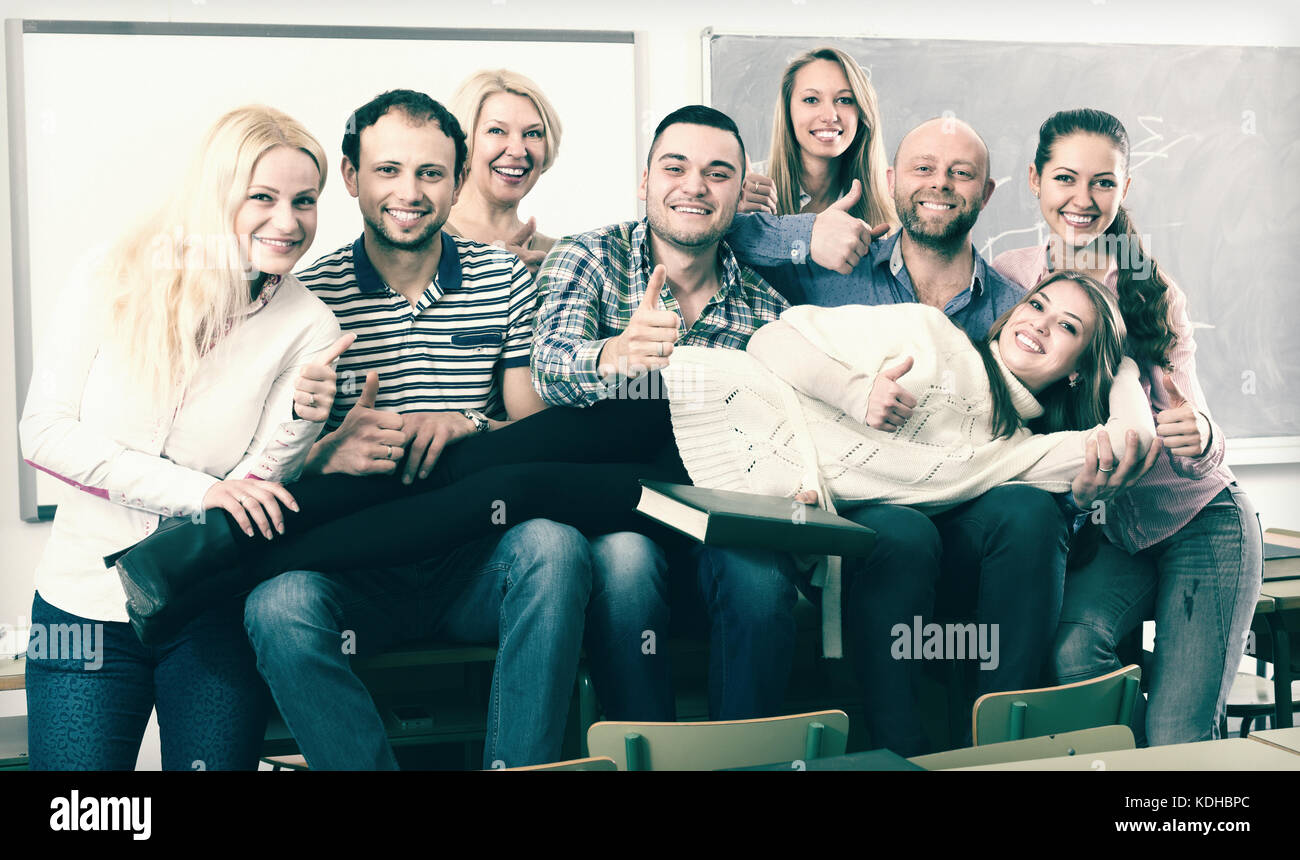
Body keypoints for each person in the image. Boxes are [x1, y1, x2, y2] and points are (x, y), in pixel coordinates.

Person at [721, 115, 1162, 754]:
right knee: (901, 530)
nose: (941, 184)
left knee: (1029, 507)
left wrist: (1118, 361)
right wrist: (800, 234)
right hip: (860, 507)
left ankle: (1001, 743)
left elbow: (1112, 443)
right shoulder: (853, 280)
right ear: (894, 181)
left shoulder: (1012, 311)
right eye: (925, 168)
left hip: (971, 517)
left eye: (962, 173)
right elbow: (721, 243)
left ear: (986, 194)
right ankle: (899, 753)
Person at [237, 89, 593, 770]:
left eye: (431, 174)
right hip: (353, 566)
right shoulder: (307, 298)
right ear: (350, 178)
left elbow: (531, 424)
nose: (410, 191)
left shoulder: (503, 280)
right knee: (277, 606)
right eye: (388, 171)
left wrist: (466, 421)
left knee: (556, 546)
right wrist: (327, 451)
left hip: (473, 560)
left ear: (459, 181)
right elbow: (262, 463)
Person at [19, 105, 348, 770]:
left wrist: (303, 422)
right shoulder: (109, 273)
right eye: (263, 197)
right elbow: (44, 433)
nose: (287, 223)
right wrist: (201, 490)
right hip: (80, 605)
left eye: (305, 202)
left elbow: (254, 496)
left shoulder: (309, 324)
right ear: (218, 191)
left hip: (210, 609)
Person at [992, 108, 1263, 745]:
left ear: (1125, 188)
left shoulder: (1151, 289)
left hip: (1203, 521)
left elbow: (1196, 435)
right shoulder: (1009, 278)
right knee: (1072, 658)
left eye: (1104, 182)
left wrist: (1199, 428)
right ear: (1034, 180)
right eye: (1065, 178)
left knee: (1179, 730)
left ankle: (1171, 784)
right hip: (1109, 533)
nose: (1082, 200)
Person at [529, 104, 800, 723]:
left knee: (761, 579)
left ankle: (744, 761)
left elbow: (783, 427)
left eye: (718, 173)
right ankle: (642, 758)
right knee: (624, 567)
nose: (695, 186)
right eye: (674, 167)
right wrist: (615, 354)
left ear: (739, 193)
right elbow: (548, 367)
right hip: (615, 510)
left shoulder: (766, 307)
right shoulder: (589, 255)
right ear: (644, 181)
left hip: (719, 513)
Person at [739, 46, 897, 233]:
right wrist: (731, 216)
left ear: (862, 112)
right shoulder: (748, 191)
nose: (830, 116)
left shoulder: (891, 202)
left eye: (844, 100)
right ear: (788, 111)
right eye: (811, 100)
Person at [444, 69, 563, 277]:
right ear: (464, 139)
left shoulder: (558, 256)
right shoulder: (426, 241)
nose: (517, 150)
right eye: (497, 131)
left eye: (532, 133)